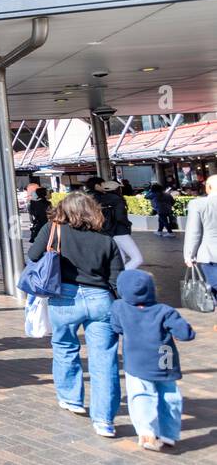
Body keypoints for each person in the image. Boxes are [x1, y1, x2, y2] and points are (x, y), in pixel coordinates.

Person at [27, 191, 124, 437]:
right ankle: (104, 420)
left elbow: (33, 255)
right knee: (105, 359)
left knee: (64, 346)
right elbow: (117, 279)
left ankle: (71, 398)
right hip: (101, 299)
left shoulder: (54, 229)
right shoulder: (106, 240)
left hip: (65, 296)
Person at [109, 270, 195, 450]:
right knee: (170, 396)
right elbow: (186, 334)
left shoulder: (119, 307)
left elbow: (116, 328)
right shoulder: (165, 311)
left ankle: (147, 432)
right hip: (165, 361)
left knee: (141, 395)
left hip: (137, 361)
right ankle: (169, 434)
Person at [88, 176, 142, 270]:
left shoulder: (93, 198)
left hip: (107, 231)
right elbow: (120, 216)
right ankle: (120, 278)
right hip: (120, 231)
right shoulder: (116, 199)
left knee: (121, 259)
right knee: (137, 259)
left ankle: (116, 279)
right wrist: (128, 224)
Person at [183, 176, 217, 304]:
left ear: (208, 187)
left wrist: (189, 255)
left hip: (211, 255)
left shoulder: (198, 204)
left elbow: (194, 232)